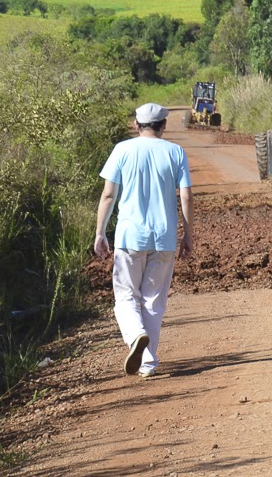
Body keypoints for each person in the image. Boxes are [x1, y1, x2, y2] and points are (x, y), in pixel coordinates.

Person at [94, 102, 193, 378]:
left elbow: (108, 196)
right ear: (164, 125)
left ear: (136, 125)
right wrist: (188, 234)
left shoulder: (122, 150)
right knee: (153, 301)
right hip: (164, 239)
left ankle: (136, 336)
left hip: (129, 237)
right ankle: (148, 364)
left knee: (125, 296)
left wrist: (100, 232)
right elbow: (185, 196)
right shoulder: (176, 152)